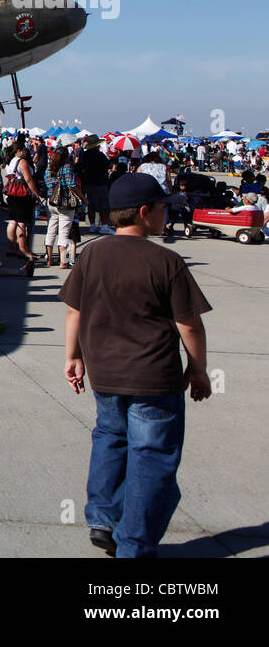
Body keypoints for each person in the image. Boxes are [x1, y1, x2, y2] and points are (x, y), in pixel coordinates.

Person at [62, 173, 211, 558]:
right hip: (154, 380)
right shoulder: (167, 260)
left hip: (106, 376)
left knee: (110, 440)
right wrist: (197, 369)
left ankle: (104, 521)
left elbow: (73, 312)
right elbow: (189, 324)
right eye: (164, 208)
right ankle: (135, 544)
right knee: (152, 458)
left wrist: (73, 356)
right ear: (145, 213)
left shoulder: (92, 253)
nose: (167, 214)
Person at [44, 147, 84, 269]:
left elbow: (47, 183)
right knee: (64, 233)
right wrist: (83, 198)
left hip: (51, 201)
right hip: (65, 203)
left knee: (51, 230)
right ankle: (63, 261)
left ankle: (49, 259)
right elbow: (72, 185)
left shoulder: (49, 168)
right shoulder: (66, 168)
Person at [3, 144, 40, 275]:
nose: (26, 152)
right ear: (19, 151)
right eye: (24, 150)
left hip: (12, 194)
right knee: (22, 222)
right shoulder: (22, 162)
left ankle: (11, 248)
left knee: (12, 221)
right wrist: (36, 193)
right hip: (22, 195)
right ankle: (23, 250)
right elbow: (28, 179)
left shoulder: (10, 161)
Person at [75, 135, 112, 234]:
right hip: (101, 182)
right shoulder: (100, 155)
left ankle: (92, 225)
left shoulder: (84, 155)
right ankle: (104, 225)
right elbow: (109, 165)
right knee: (103, 205)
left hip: (88, 182)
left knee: (90, 204)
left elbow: (78, 167)